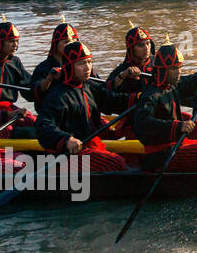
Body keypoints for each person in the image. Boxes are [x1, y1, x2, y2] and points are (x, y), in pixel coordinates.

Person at [132, 44, 197, 171]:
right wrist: (178, 126)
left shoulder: (171, 86)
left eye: (179, 68)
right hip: (162, 155)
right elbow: (141, 124)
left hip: (176, 145)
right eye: (174, 69)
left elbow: (194, 81)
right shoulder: (151, 95)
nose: (179, 72)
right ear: (163, 70)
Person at [34, 41, 133, 172]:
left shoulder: (90, 86)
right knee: (116, 163)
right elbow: (43, 124)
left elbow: (112, 101)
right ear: (69, 66)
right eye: (81, 63)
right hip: (69, 155)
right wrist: (66, 139)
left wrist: (138, 98)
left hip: (90, 146)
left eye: (89, 62)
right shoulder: (58, 95)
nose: (87, 68)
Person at [0, 20, 36, 139]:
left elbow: (29, 89)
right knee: (8, 132)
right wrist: (7, 115)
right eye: (11, 41)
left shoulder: (16, 62)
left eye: (16, 41)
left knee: (34, 122)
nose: (15, 45)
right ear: (0, 42)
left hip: (11, 108)